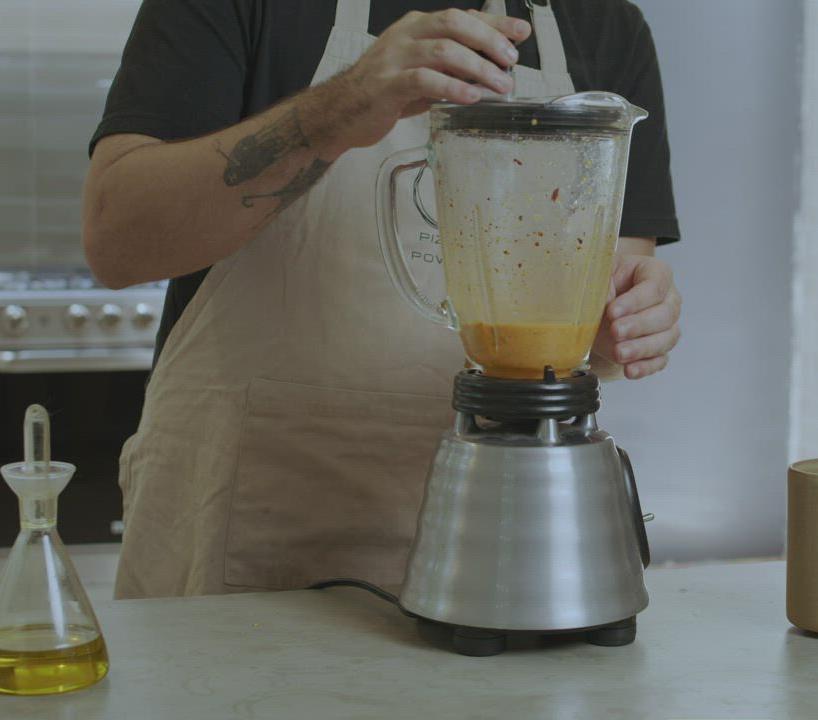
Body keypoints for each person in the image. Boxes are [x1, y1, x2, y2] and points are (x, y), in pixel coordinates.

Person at [83, 0, 683, 599]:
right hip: (241, 547)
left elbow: (609, 295)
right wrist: (335, 111)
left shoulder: (606, 26)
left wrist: (619, 325)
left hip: (502, 552)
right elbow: (118, 241)